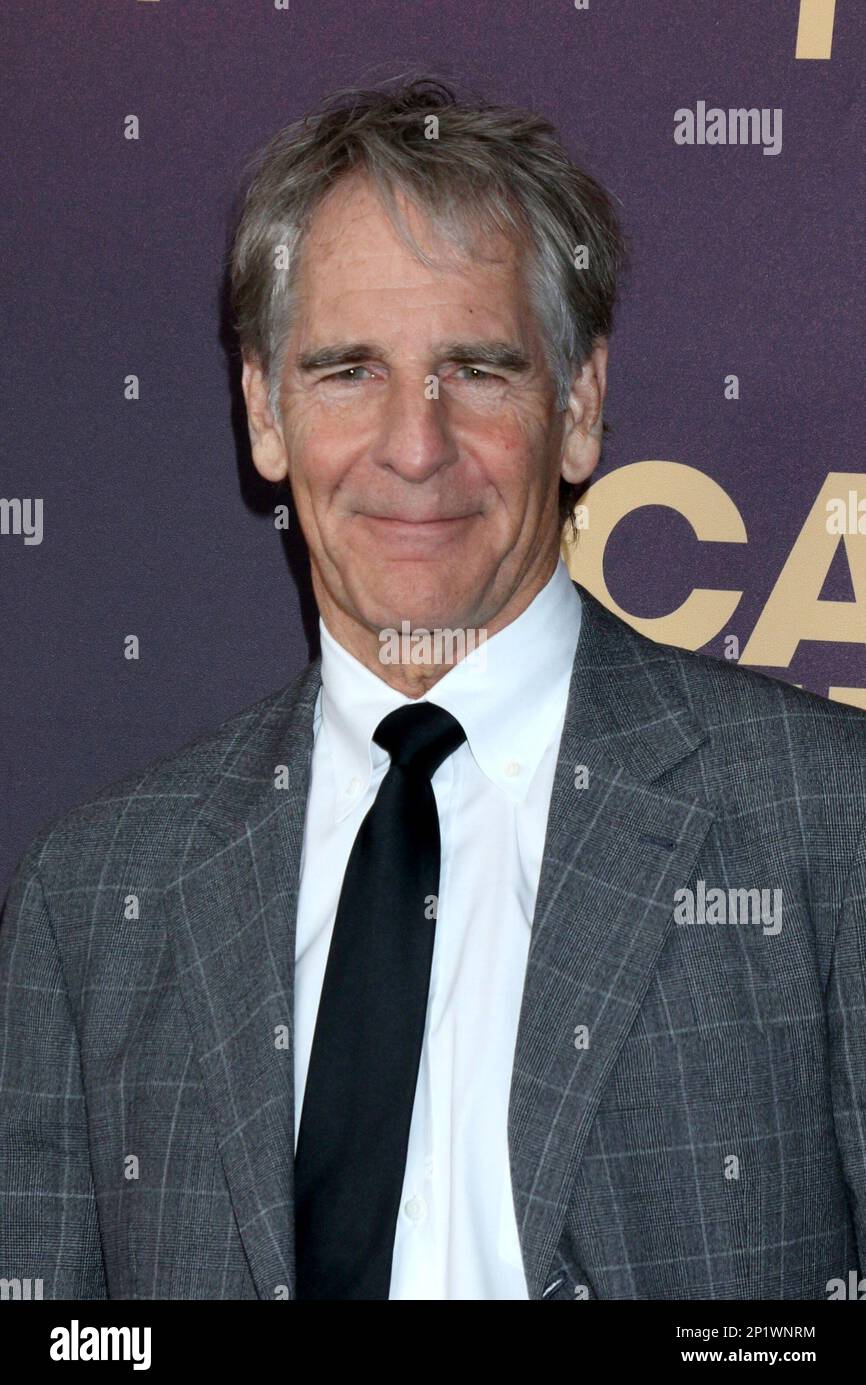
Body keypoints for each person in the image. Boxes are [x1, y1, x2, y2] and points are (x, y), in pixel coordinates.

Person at [2, 76, 865, 1302]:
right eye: (348, 370)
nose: (415, 444)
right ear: (263, 411)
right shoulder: (91, 902)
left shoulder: (826, 826)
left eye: (478, 368)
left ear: (577, 410)